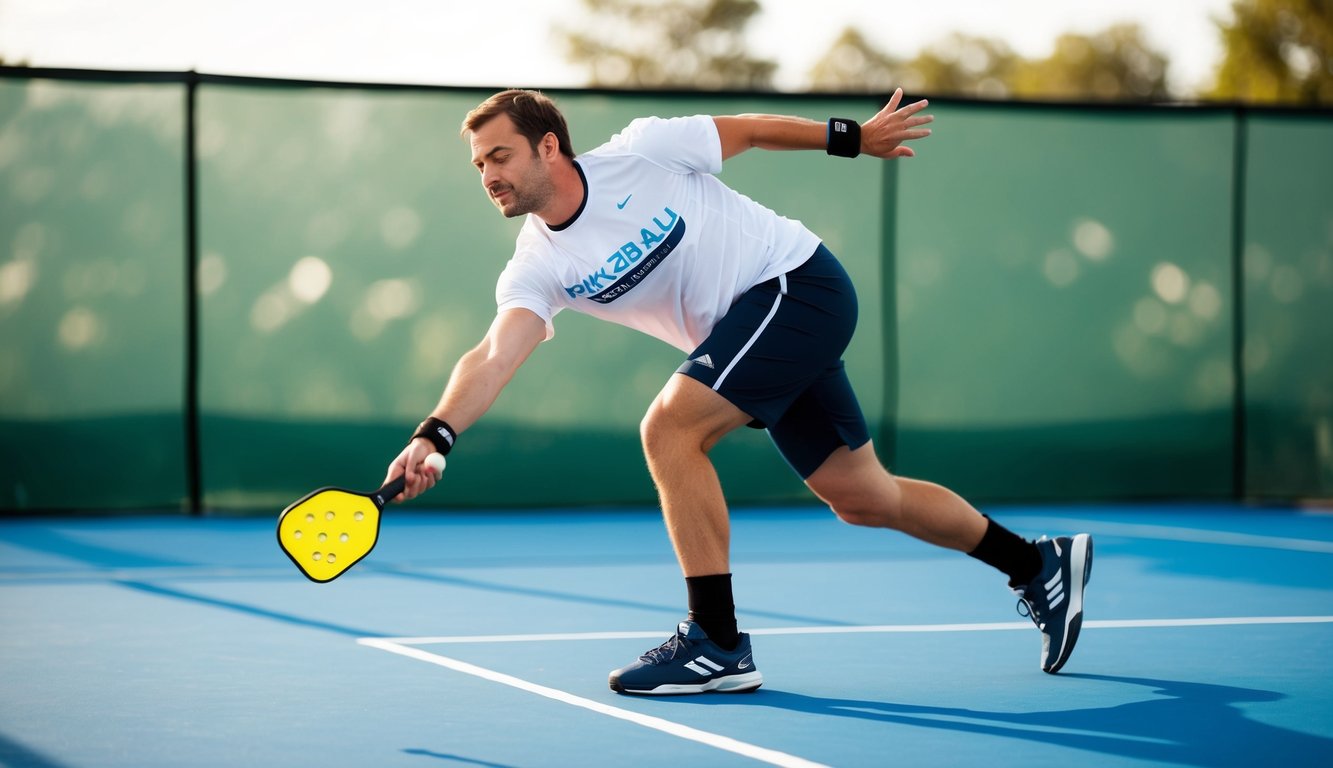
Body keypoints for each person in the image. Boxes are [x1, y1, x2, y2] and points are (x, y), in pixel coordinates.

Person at [385, 88, 1093, 695]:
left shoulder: (644, 151)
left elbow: (750, 131)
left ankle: (717, 643)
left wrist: (852, 138)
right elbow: (494, 352)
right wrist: (435, 432)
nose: (487, 175)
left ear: (547, 146)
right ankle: (1036, 564)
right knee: (862, 497)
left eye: (499, 156)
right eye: (478, 165)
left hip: (794, 285)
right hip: (755, 338)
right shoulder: (538, 263)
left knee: (669, 430)